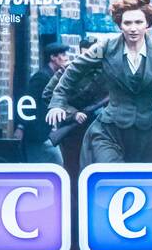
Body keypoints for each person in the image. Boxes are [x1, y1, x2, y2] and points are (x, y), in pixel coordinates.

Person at [47, 0, 152, 164]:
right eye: (127, 23)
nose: (133, 28)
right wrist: (58, 103)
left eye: (138, 22)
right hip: (109, 132)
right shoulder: (105, 48)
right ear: (120, 25)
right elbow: (74, 69)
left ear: (147, 24)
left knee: (143, 186)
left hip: (146, 135)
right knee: (112, 177)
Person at [42, 40, 107, 179]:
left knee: (99, 172)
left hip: (100, 129)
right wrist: (73, 114)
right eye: (87, 53)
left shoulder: (109, 72)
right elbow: (48, 94)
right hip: (74, 129)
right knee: (74, 171)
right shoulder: (69, 69)